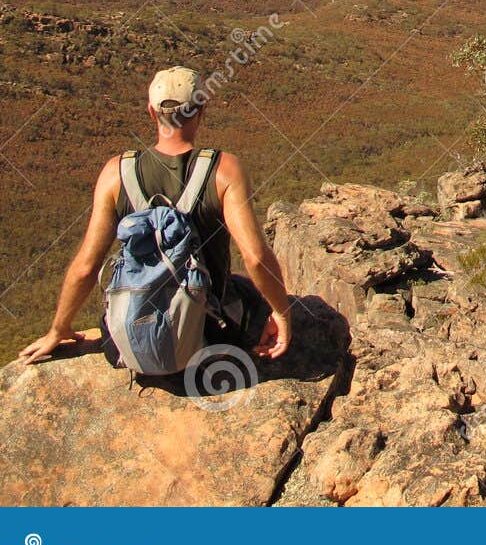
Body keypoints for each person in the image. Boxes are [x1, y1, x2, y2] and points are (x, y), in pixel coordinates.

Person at [18, 66, 292, 366]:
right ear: (202, 109)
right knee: (245, 286)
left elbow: (87, 266)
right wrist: (281, 312)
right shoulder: (223, 169)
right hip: (209, 338)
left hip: (128, 346)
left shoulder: (116, 172)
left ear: (151, 112)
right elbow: (254, 257)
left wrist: (58, 329)